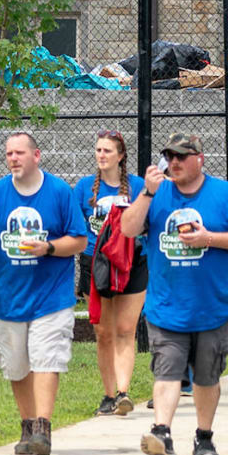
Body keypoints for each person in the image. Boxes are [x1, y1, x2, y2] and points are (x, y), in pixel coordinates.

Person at [119, 133, 228, 455]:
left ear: (201, 158)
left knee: (206, 376)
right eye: (170, 156)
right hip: (166, 306)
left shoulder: (224, 194)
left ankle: (204, 437)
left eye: (183, 156)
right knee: (167, 370)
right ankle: (161, 433)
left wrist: (208, 238)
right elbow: (127, 229)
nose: (175, 163)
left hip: (212, 307)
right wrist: (146, 192)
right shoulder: (155, 193)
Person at [0, 131, 86, 455]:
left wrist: (49, 247)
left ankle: (43, 428)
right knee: (17, 366)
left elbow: (78, 241)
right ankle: (26, 426)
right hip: (7, 297)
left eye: (19, 153)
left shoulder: (59, 192)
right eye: (8, 153)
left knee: (47, 358)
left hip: (51, 297)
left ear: (36, 156)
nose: (13, 158)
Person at [75, 130, 145, 417]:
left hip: (133, 261)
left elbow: (150, 219)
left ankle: (123, 393)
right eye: (98, 150)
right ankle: (107, 394)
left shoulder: (138, 187)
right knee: (104, 333)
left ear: (121, 155)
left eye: (107, 150)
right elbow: (74, 224)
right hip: (97, 263)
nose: (101, 155)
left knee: (126, 330)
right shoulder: (83, 188)